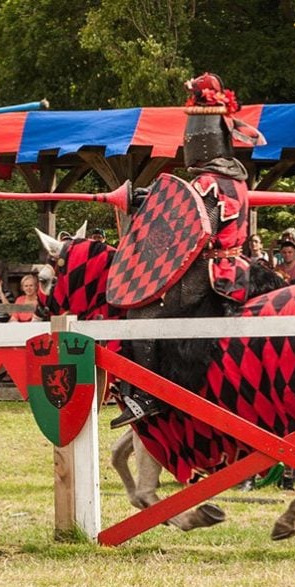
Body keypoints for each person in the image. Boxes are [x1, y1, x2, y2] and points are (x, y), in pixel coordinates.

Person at [113, 72, 266, 429]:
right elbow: (182, 210)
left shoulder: (207, 182)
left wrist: (145, 205)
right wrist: (150, 199)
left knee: (142, 318)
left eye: (193, 137)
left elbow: (187, 227)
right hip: (238, 264)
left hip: (210, 271)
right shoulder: (237, 179)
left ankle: (149, 396)